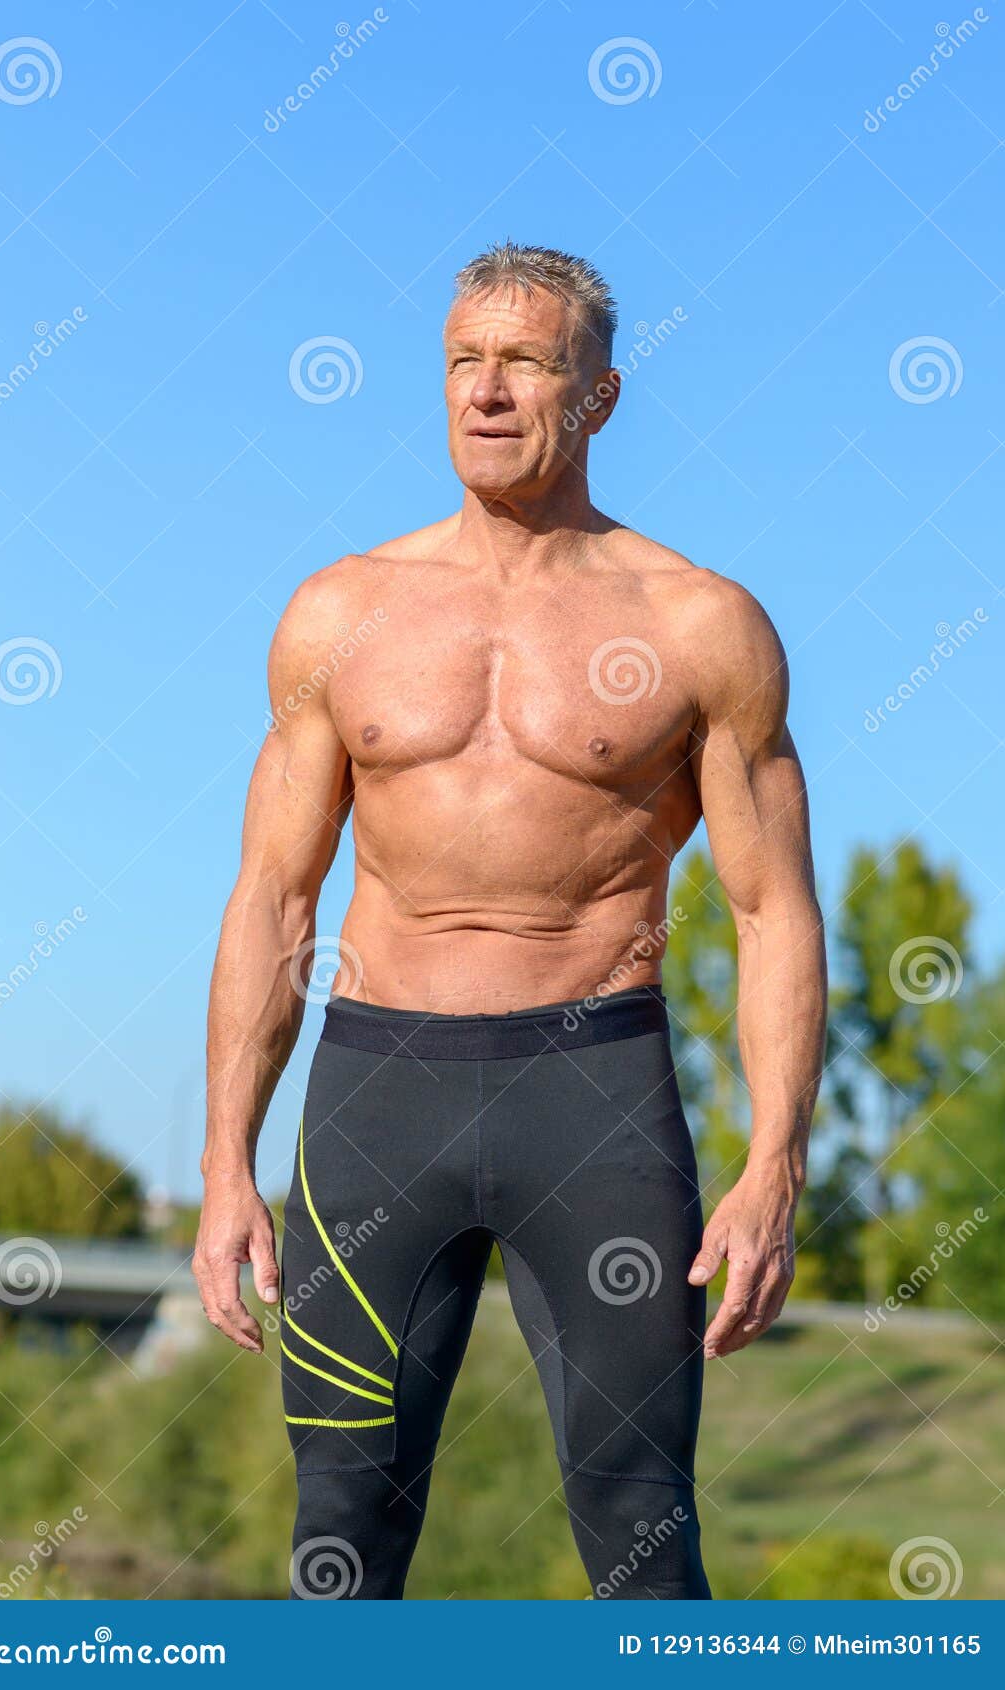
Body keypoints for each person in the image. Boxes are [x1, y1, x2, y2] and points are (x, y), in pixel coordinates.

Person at [194, 242, 827, 1600]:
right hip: (378, 1096)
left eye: (526, 362)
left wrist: (775, 1161)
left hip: (592, 1096)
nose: (486, 392)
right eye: (463, 362)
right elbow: (276, 896)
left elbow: (774, 910)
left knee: (641, 1533)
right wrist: (225, 1163)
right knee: (339, 1539)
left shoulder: (702, 624)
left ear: (596, 393)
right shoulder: (341, 612)